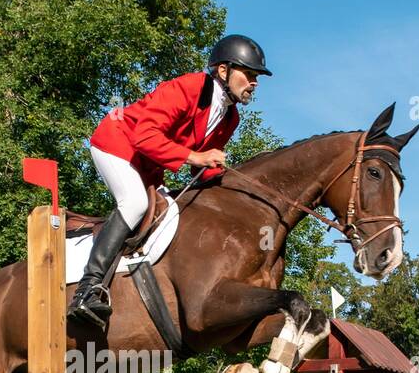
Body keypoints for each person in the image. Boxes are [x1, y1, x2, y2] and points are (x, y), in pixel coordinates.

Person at [67, 34, 272, 330]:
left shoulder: (230, 119)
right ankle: (88, 288)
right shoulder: (188, 87)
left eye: (257, 77)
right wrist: (195, 157)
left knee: (171, 213)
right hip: (117, 143)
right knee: (135, 203)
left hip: (149, 165)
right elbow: (145, 136)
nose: (254, 83)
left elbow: (205, 174)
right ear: (223, 71)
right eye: (249, 74)